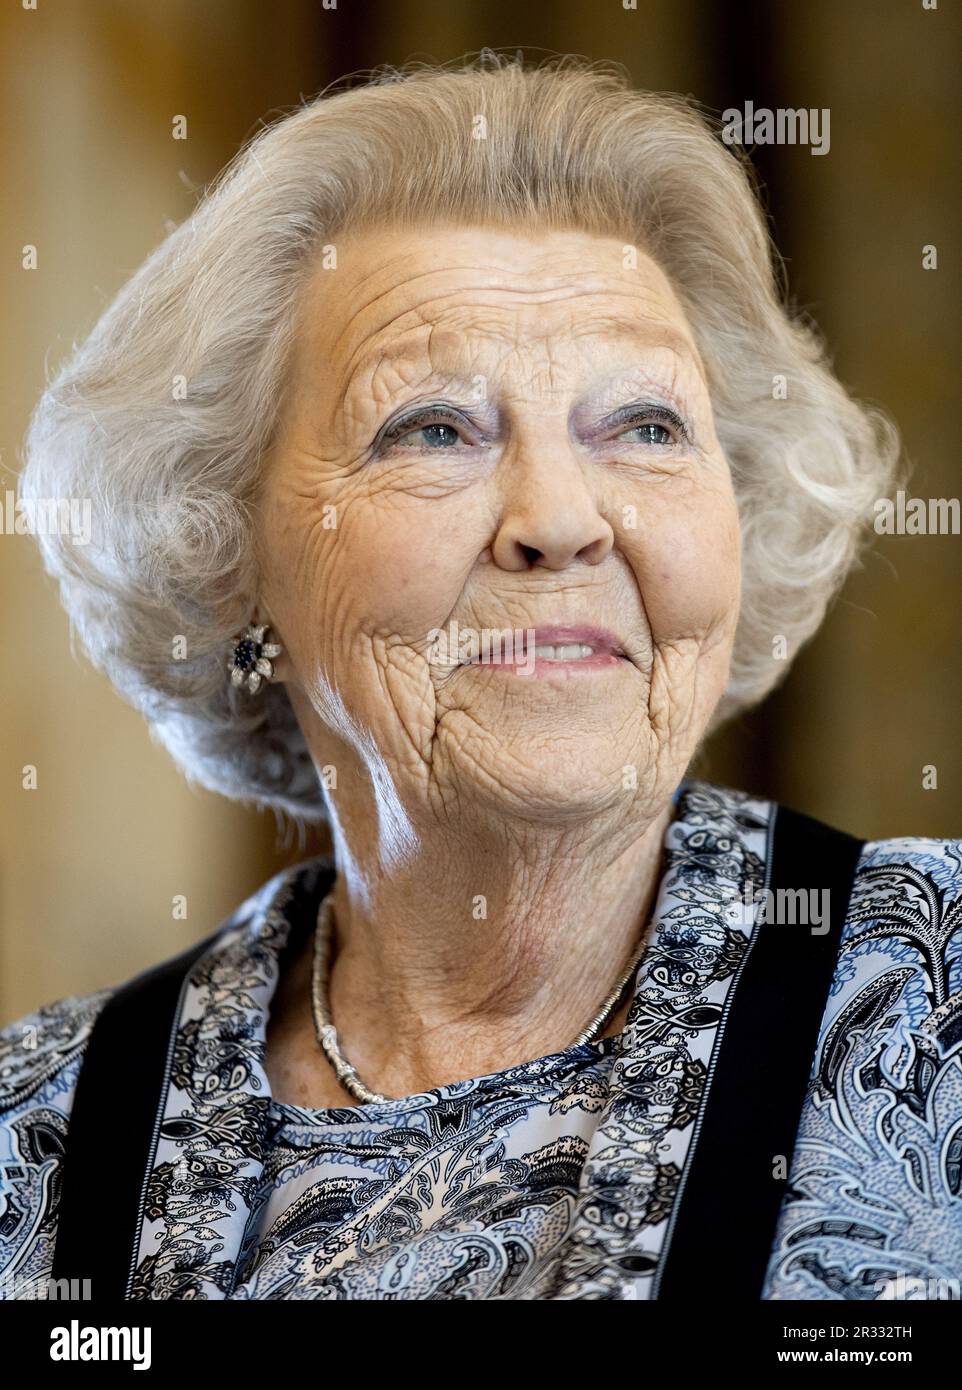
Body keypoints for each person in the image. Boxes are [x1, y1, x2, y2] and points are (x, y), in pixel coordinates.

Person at [3, 56, 958, 1302]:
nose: (559, 521)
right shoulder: (39, 1133)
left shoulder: (927, 1002)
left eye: (645, 426)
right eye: (434, 428)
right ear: (223, 548)